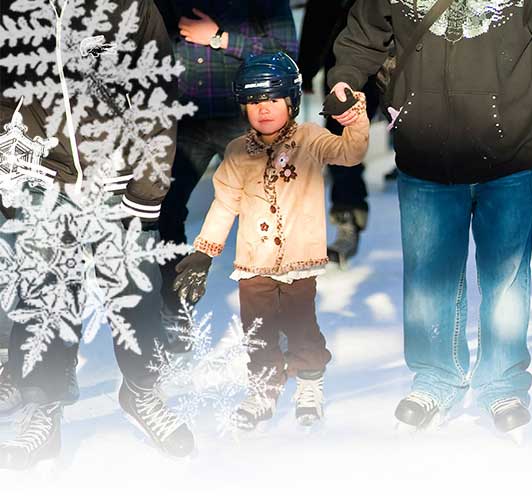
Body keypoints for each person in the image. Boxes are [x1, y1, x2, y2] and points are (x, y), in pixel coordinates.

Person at [326, 0, 532, 435]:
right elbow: (360, 39)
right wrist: (344, 80)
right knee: (428, 279)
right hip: (424, 156)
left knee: (506, 281)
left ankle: (502, 383)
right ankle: (436, 377)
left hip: (507, 158)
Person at [0, 0, 196, 468]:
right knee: (44, 297)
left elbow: (157, 95)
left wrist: (147, 188)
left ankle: (141, 393)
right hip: (44, 179)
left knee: (136, 297)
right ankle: (43, 407)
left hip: (118, 179)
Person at [171, 52, 369, 430]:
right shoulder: (235, 153)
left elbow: (350, 151)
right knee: (258, 331)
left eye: (273, 100)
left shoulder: (311, 139)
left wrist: (353, 118)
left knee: (300, 326)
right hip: (254, 263)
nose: (263, 110)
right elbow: (224, 204)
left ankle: (310, 380)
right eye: (254, 102)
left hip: (298, 261)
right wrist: (204, 251)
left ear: (291, 101)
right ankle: (263, 387)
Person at [155, 0, 298, 346]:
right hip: (183, 117)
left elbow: (287, 54)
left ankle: (274, 316)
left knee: (267, 213)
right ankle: (176, 309)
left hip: (244, 120)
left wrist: (219, 38)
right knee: (161, 210)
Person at [298, 0, 381, 267]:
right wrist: (307, 71)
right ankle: (348, 217)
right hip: (343, 75)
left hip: (398, 72)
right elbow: (318, 18)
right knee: (342, 146)